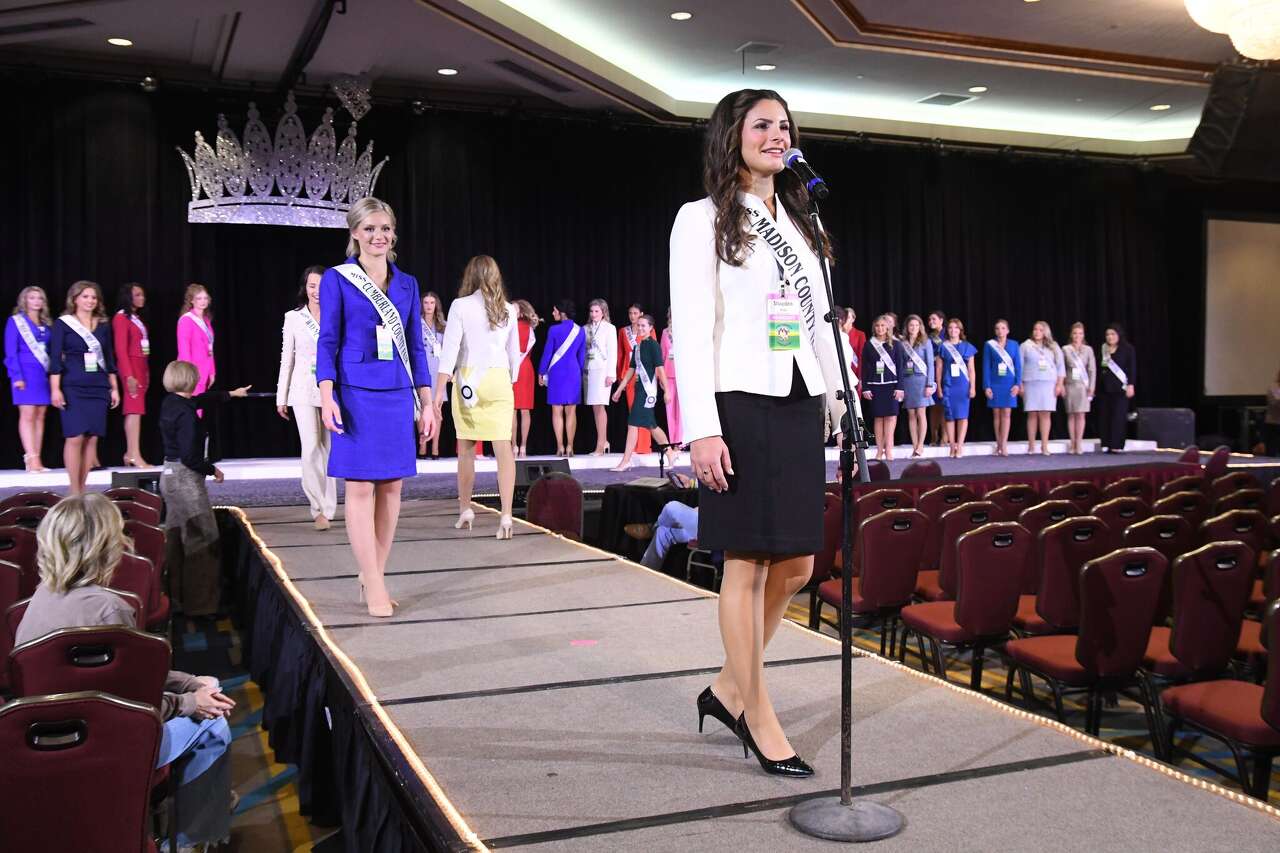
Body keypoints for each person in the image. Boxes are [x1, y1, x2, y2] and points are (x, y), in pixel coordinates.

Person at [671, 88, 847, 778]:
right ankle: (757, 713)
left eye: (785, 126)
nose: (778, 135)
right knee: (745, 563)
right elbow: (691, 327)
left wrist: (840, 399)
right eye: (762, 125)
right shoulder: (701, 218)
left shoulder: (803, 223)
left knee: (799, 564)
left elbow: (818, 322)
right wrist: (702, 429)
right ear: (732, 136)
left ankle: (726, 687)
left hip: (800, 401)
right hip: (739, 403)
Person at [14, 494, 236, 849]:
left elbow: (114, 676)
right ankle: (193, 837)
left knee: (207, 689)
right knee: (214, 723)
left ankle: (205, 803)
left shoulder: (36, 602)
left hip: (38, 744)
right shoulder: (108, 609)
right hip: (106, 747)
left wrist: (191, 686)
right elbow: (128, 708)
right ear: (106, 545)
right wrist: (189, 703)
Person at [318, 197, 437, 619]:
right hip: (353, 391)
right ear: (354, 233)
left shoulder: (407, 284)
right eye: (369, 228)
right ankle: (375, 584)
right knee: (360, 486)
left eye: (385, 228)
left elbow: (417, 347)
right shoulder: (337, 279)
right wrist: (326, 393)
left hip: (394, 392)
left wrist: (427, 403)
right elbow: (327, 339)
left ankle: (374, 574)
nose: (378, 236)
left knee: (392, 487)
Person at [436, 255, 521, 540]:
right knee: (504, 448)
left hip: (469, 380)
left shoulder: (460, 306)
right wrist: (508, 382)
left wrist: (438, 392)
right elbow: (514, 358)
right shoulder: (509, 309)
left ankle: (465, 510)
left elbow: (450, 351)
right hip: (498, 378)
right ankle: (507, 516)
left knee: (467, 449)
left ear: (469, 275)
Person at [160, 360, 250, 617]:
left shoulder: (171, 403)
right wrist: (213, 470)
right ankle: (201, 606)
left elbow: (201, 400)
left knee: (176, 538)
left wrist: (231, 394)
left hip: (168, 476)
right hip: (186, 479)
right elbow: (190, 457)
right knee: (203, 538)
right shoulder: (187, 415)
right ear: (191, 380)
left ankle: (173, 597)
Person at [276, 265, 337, 530]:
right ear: (305, 288)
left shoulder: (337, 316)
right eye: (312, 286)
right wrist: (281, 396)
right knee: (311, 447)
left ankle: (330, 506)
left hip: (331, 391)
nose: (317, 291)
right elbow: (286, 359)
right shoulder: (293, 318)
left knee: (330, 450)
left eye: (321, 286)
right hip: (301, 389)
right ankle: (317, 509)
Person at [48, 280, 119, 495]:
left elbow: (109, 358)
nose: (90, 301)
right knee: (75, 436)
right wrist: (55, 389)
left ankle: (83, 486)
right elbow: (55, 358)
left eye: (93, 297)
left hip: (98, 386)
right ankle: (74, 488)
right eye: (85, 296)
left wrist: (114, 387)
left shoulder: (104, 325)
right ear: (75, 298)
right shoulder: (63, 323)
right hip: (72, 385)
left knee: (92, 437)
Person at [610, 314, 677, 471]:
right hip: (639, 389)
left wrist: (667, 391)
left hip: (648, 391)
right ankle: (670, 452)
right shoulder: (637, 346)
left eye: (643, 326)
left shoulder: (653, 346)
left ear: (651, 328)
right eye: (638, 325)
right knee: (651, 425)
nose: (640, 328)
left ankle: (626, 461)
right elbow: (631, 370)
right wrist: (619, 389)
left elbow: (660, 369)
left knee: (633, 424)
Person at [5, 286, 52, 472]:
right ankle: (31, 458)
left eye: (40, 298)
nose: (37, 301)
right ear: (24, 300)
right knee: (28, 414)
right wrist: (16, 376)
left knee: (41, 415)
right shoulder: (16, 321)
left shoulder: (46, 323)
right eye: (32, 298)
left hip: (42, 374)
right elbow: (10, 351)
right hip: (23, 373)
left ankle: (37, 459)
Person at [538, 299, 585, 456]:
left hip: (557, 372)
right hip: (573, 372)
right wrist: (577, 372)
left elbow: (547, 353)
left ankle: (560, 447)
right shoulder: (580, 331)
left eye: (554, 311)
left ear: (562, 313)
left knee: (556, 411)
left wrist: (541, 372)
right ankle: (570, 447)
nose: (553, 313)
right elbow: (582, 356)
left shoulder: (553, 330)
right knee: (571, 412)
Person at [112, 282, 152, 467]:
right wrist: (128, 375)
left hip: (140, 366)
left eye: (142, 295)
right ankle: (133, 453)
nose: (141, 298)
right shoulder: (121, 318)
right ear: (128, 297)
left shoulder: (136, 318)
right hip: (130, 368)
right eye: (137, 295)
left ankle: (131, 453)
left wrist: (145, 372)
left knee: (137, 411)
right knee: (133, 410)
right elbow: (120, 350)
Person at [860, 314, 904, 461]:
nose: (880, 328)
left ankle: (889, 450)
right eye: (877, 326)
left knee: (891, 419)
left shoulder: (896, 344)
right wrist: (865, 387)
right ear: (874, 327)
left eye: (883, 326)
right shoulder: (869, 344)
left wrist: (900, 387)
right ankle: (879, 450)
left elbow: (900, 367)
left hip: (892, 386)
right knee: (878, 419)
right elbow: (864, 368)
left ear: (888, 328)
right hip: (875, 386)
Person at [1020, 320, 1065, 455]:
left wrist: (1060, 384)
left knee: (1045, 414)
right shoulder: (1025, 346)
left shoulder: (1053, 346)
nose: (1037, 332)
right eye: (1035, 329)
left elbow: (1060, 366)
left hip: (1048, 384)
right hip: (1031, 383)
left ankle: (1044, 446)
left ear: (1046, 332)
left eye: (1040, 330)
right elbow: (1019, 366)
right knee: (1032, 414)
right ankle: (1031, 446)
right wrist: (1020, 384)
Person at [935, 317, 976, 458]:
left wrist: (973, 387)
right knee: (950, 417)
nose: (953, 330)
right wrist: (939, 387)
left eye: (956, 328)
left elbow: (971, 370)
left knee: (963, 416)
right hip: (948, 386)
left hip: (963, 386)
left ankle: (960, 446)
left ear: (960, 330)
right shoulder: (943, 346)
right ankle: (952, 446)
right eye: (951, 328)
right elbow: (939, 369)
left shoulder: (967, 346)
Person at [617, 303, 654, 455]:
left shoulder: (647, 331)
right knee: (633, 411)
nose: (632, 316)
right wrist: (620, 376)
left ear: (641, 314)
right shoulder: (623, 332)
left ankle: (644, 446)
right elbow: (621, 355)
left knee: (644, 409)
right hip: (630, 375)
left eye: (635, 313)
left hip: (645, 376)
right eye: (630, 313)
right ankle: (634, 445)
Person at [982, 319, 1022, 457]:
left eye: (1003, 328)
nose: (1000, 331)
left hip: (1009, 384)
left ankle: (1004, 444)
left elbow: (1018, 366)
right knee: (997, 414)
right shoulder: (989, 345)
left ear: (1008, 330)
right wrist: (986, 386)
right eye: (997, 328)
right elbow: (986, 366)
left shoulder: (1014, 345)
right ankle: (998, 443)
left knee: (1006, 413)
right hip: (995, 383)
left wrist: (1018, 384)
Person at [584, 298, 617, 455]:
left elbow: (613, 352)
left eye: (597, 311)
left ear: (603, 312)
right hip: (590, 370)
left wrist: (611, 374)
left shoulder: (609, 328)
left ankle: (601, 444)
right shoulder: (586, 328)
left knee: (600, 406)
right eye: (591, 311)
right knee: (595, 406)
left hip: (603, 371)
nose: (593, 314)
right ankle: (603, 441)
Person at [1097, 322, 1136, 453]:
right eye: (1107, 334)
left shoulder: (1128, 349)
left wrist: (1131, 384)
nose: (1110, 337)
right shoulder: (1103, 349)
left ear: (1119, 335)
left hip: (1120, 389)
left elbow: (1132, 368)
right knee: (1105, 416)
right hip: (1105, 389)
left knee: (1118, 417)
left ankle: (1116, 445)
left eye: (1113, 334)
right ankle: (1106, 443)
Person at [899, 314, 935, 457]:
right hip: (908, 381)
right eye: (911, 325)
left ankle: (921, 445)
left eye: (916, 325)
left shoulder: (926, 342)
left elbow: (931, 364)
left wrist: (930, 384)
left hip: (922, 381)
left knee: (921, 413)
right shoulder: (902, 343)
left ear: (920, 327)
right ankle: (915, 447)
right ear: (907, 328)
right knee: (911, 414)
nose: (913, 328)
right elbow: (901, 364)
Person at [420, 290, 448, 459]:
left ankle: (436, 447)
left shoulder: (443, 325)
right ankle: (422, 445)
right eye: (426, 303)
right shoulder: (416, 323)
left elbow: (450, 351)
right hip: (422, 369)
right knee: (423, 408)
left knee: (437, 410)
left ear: (436, 305)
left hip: (438, 370)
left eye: (432, 303)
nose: (429, 306)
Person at [177, 283, 216, 398]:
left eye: (205, 298)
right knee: (189, 407)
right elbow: (184, 349)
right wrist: (189, 372)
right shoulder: (186, 320)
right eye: (199, 298)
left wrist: (212, 371)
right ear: (192, 300)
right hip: (191, 371)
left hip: (204, 369)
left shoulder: (206, 321)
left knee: (198, 407)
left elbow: (210, 348)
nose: (203, 301)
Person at [1063, 322, 1097, 455]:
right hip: (1070, 385)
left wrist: (1092, 387)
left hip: (1084, 386)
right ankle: (1072, 443)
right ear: (1071, 335)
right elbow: (1062, 369)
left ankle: (1079, 443)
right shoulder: (1065, 349)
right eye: (1075, 333)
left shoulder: (1088, 350)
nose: (1077, 336)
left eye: (1080, 333)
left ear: (1083, 335)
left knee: (1081, 414)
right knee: (1071, 414)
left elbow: (1092, 370)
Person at [511, 299, 539, 458]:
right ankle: (522, 447)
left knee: (515, 409)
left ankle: (516, 446)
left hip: (516, 368)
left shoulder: (510, 328)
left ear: (521, 312)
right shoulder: (529, 328)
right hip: (526, 368)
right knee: (522, 410)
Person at [638, 501, 699, 570]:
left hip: (710, 531)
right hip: (706, 528)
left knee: (672, 507)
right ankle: (646, 573)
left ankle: (653, 528)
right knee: (663, 532)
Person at [661, 306, 683, 449]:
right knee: (670, 410)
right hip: (668, 375)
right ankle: (673, 440)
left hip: (682, 375)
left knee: (681, 410)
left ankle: (681, 442)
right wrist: (660, 378)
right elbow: (662, 354)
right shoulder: (664, 332)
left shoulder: (686, 331)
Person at [926, 309, 947, 446]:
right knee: (933, 407)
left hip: (947, 373)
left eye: (934, 319)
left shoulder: (949, 334)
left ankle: (945, 437)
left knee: (945, 406)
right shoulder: (927, 337)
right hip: (931, 373)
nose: (931, 322)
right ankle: (934, 436)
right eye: (930, 320)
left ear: (941, 320)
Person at [840, 306, 865, 387]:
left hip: (855, 371)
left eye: (849, 317)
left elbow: (862, 356)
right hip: (841, 371)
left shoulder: (860, 334)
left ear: (853, 319)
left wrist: (861, 376)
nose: (846, 319)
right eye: (845, 317)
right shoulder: (839, 334)